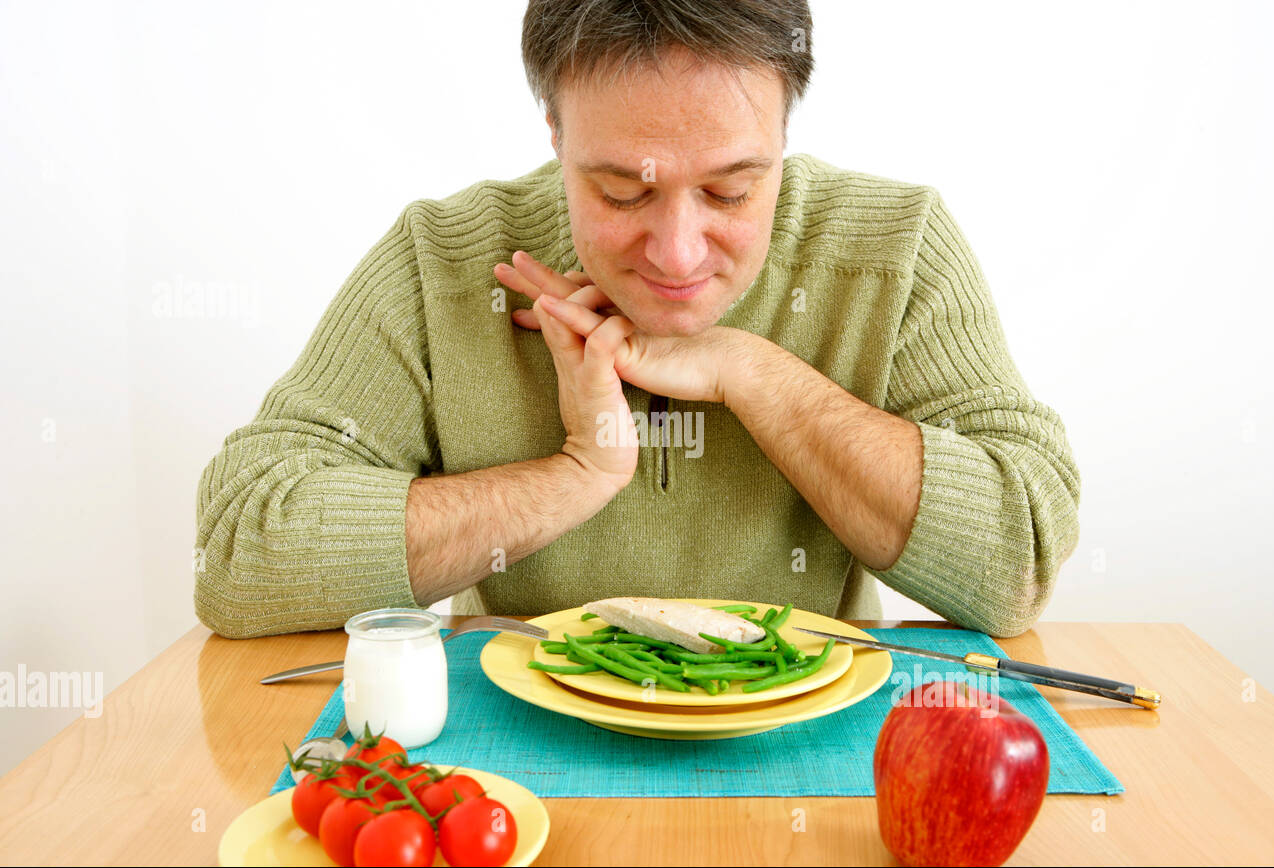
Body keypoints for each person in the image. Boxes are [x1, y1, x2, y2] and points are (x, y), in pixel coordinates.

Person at [194, 0, 1080, 640]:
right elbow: (239, 555)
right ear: (555, 131)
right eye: (623, 191)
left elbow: (1018, 557)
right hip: (518, 763)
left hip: (806, 764)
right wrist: (575, 475)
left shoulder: (894, 248)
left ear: (784, 133)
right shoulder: (443, 262)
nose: (679, 253)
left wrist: (746, 371)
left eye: (731, 190)